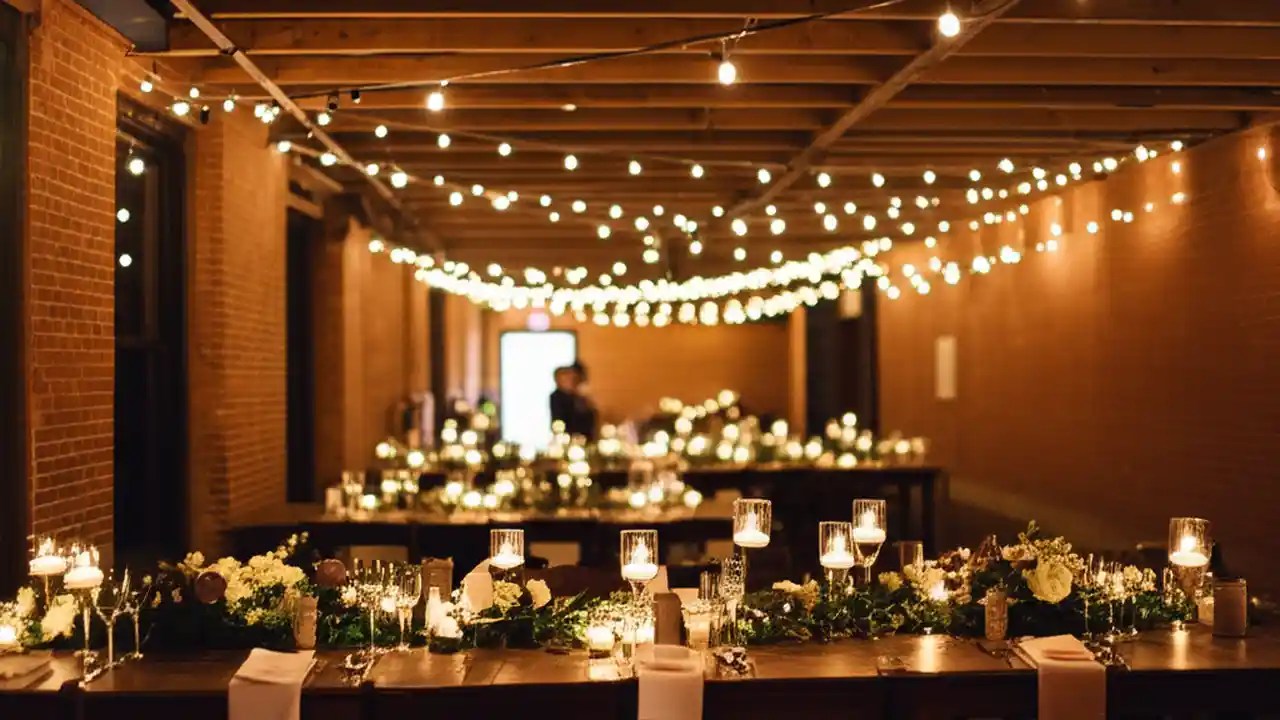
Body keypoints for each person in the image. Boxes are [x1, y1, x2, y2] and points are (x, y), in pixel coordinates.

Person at [549, 365, 598, 440]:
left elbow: (591, 417)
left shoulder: (580, 397)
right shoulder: (556, 397)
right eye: (565, 379)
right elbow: (559, 419)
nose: (570, 381)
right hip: (566, 437)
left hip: (585, 437)